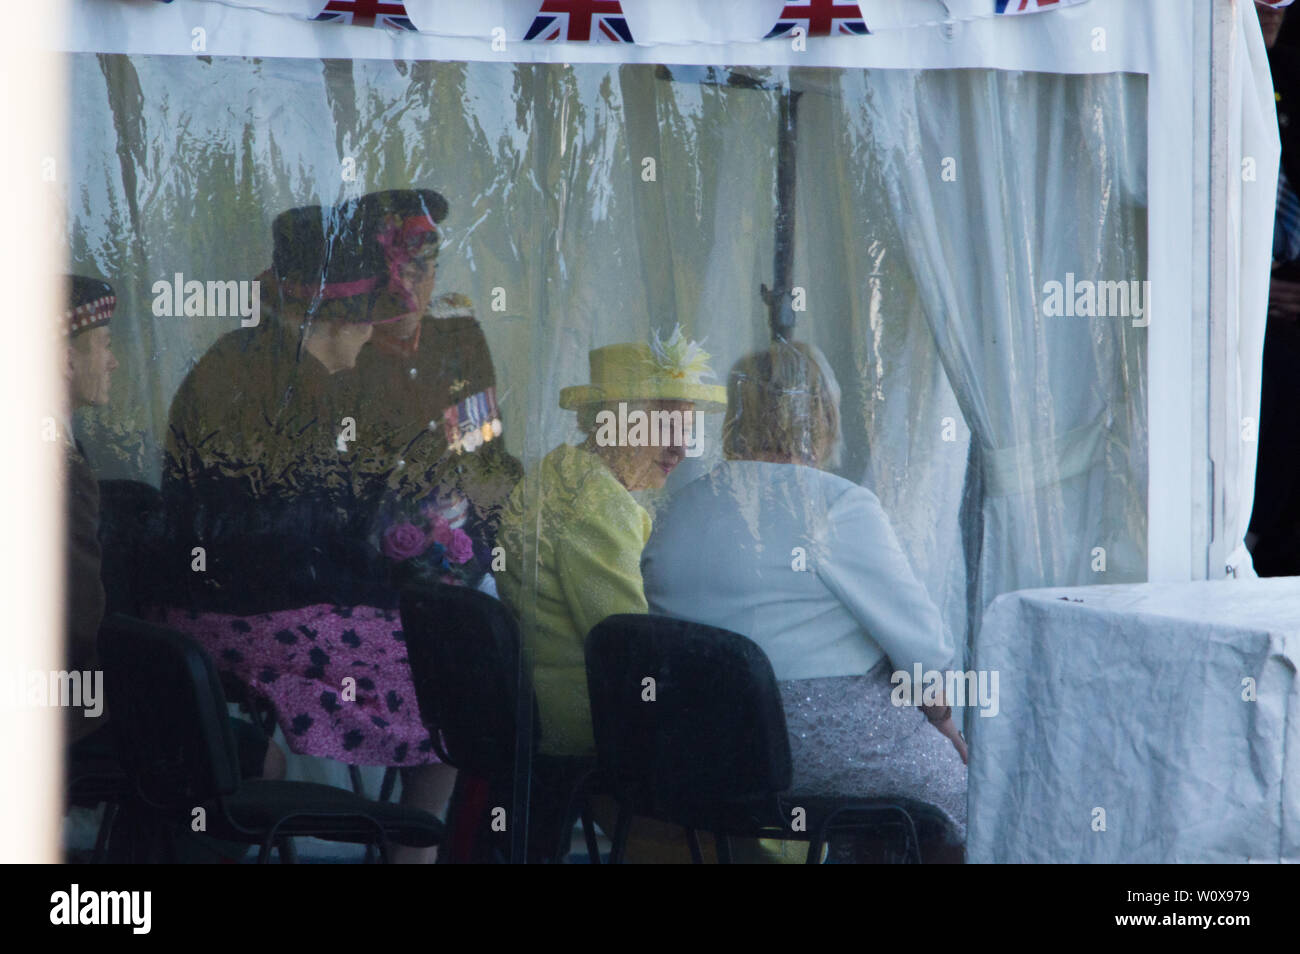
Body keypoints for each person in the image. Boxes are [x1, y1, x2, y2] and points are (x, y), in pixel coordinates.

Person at [158, 203, 456, 862]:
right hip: (273, 629)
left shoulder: (224, 361)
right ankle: (411, 853)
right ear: (341, 320)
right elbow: (312, 549)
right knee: (454, 702)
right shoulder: (317, 399)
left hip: (186, 625)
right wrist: (411, 550)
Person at [641, 340, 967, 861]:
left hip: (698, 753)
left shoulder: (679, 510)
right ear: (821, 415)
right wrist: (947, 729)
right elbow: (924, 655)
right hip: (808, 747)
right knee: (966, 790)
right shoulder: (837, 506)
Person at [496, 327, 725, 758]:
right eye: (663, 428)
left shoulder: (559, 470)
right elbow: (628, 646)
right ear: (614, 423)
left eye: (686, 430)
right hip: (593, 723)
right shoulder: (597, 503)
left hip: (542, 708)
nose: (680, 450)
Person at [349, 189, 522, 585]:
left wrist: (489, 560)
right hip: (365, 570)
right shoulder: (342, 349)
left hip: (463, 559)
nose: (405, 290)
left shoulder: (458, 336)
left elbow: (484, 452)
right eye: (390, 274)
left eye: (420, 270)